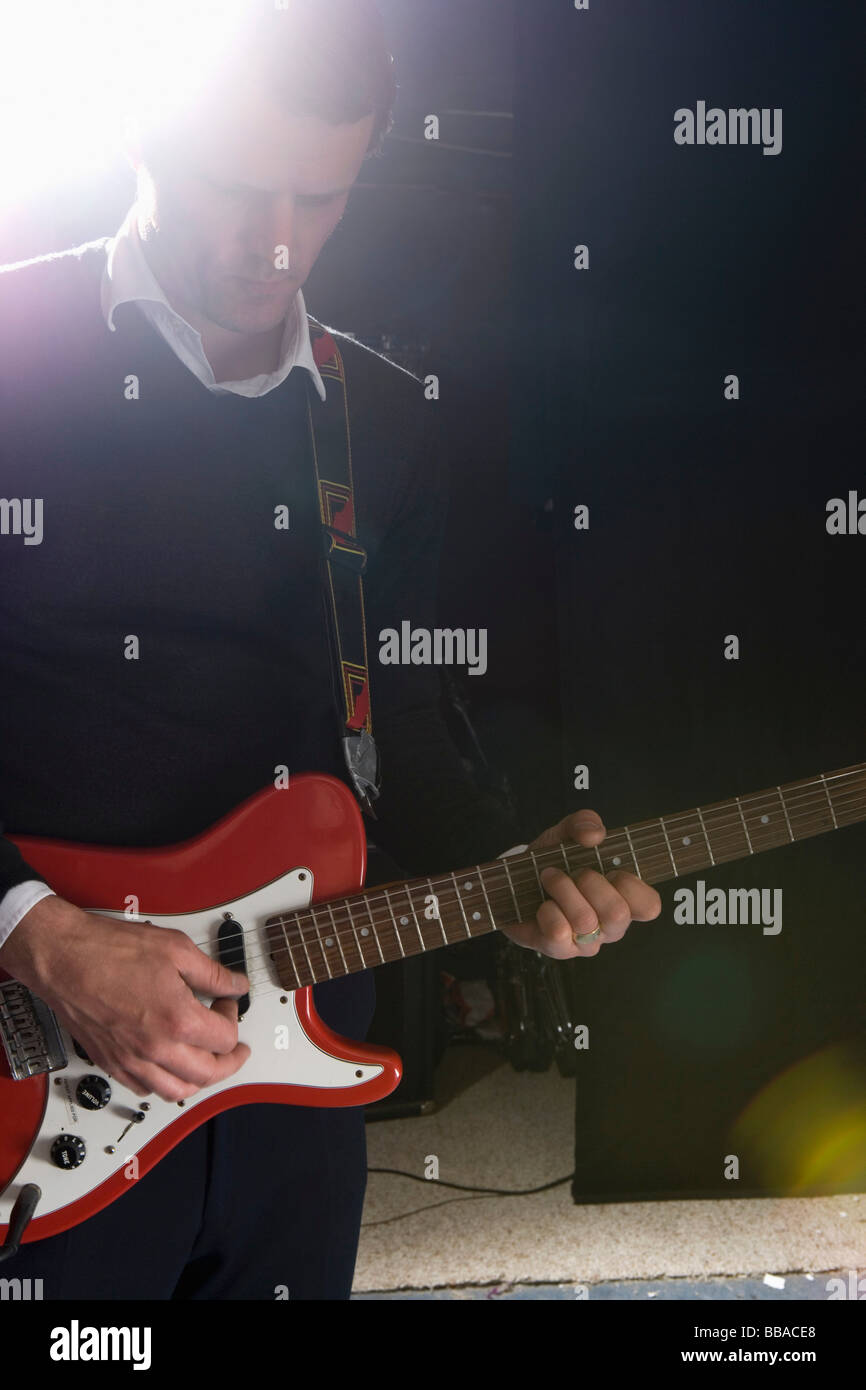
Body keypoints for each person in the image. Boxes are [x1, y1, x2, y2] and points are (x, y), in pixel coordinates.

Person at [0, 1, 661, 1299]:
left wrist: (509, 872)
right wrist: (42, 937)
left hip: (299, 1051)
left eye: (322, 193)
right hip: (40, 1051)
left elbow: (390, 724)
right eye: (238, 190)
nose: (277, 240)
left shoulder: (380, 421)